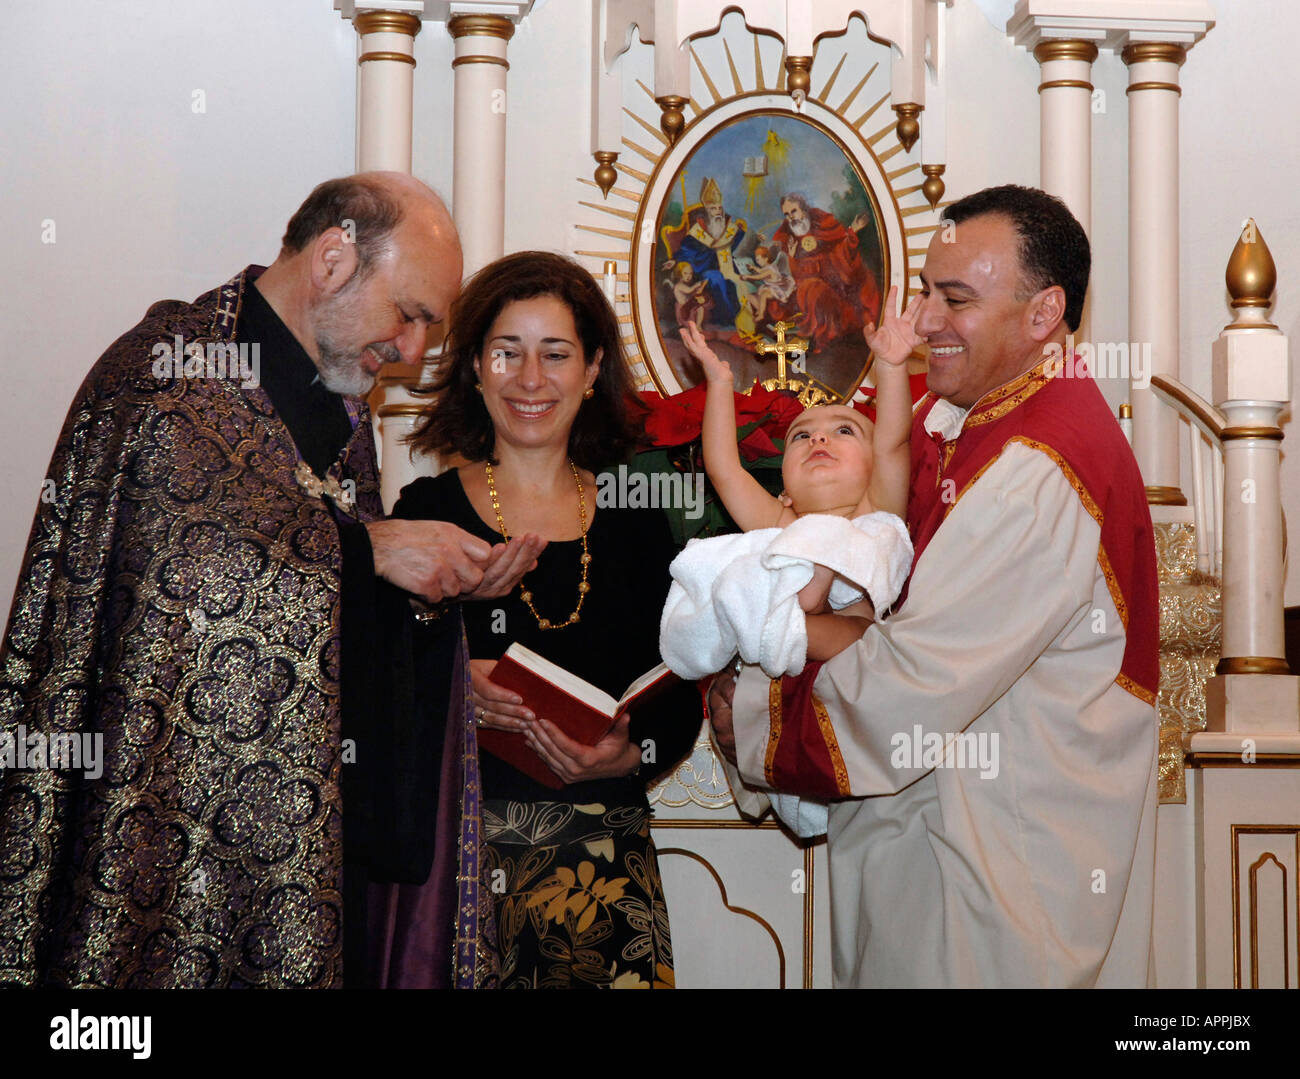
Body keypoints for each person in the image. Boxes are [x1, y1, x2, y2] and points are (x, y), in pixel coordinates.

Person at [0, 173, 542, 988]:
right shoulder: (164, 378)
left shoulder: (343, 420)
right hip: (165, 836)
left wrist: (428, 602)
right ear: (331, 260)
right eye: (411, 313)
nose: (415, 351)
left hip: (316, 852)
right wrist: (369, 556)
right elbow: (184, 582)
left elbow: (327, 612)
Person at [709, 185, 1160, 988]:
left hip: (992, 867)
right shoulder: (952, 416)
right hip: (923, 840)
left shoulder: (1045, 461)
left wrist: (757, 718)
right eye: (923, 290)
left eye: (956, 299)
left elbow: (919, 669)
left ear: (1043, 312)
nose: (925, 319)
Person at [402, 250, 702, 989]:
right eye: (508, 352)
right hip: (458, 859)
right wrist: (447, 683)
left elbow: (680, 691)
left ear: (593, 368)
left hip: (604, 858)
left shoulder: (636, 519)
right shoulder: (423, 515)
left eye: (556, 354)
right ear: (475, 365)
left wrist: (630, 756)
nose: (531, 379)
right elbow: (366, 679)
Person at [661, 309, 915, 682]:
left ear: (875, 467)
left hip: (847, 633)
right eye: (801, 436)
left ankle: (786, 616)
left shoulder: (874, 509)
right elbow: (724, 469)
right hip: (786, 623)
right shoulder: (783, 524)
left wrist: (892, 366)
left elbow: (894, 442)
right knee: (790, 557)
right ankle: (774, 619)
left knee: (864, 633)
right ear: (785, 493)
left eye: (844, 430)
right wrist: (718, 382)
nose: (818, 438)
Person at [768, 192, 881, 346]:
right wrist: (792, 257)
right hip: (805, 283)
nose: (790, 217)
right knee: (812, 290)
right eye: (786, 214)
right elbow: (793, 275)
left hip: (833, 275)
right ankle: (824, 336)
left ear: (803, 208)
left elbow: (840, 247)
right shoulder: (786, 236)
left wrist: (852, 231)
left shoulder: (823, 223)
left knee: (861, 283)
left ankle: (835, 334)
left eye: (793, 211)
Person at [660, 177, 748, 327]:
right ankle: (728, 320)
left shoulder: (729, 228)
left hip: (728, 268)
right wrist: (674, 261)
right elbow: (686, 251)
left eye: (719, 208)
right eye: (713, 209)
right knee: (716, 278)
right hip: (703, 270)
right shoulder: (697, 232)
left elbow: (735, 244)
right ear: (707, 211)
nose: (717, 212)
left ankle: (745, 320)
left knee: (737, 283)